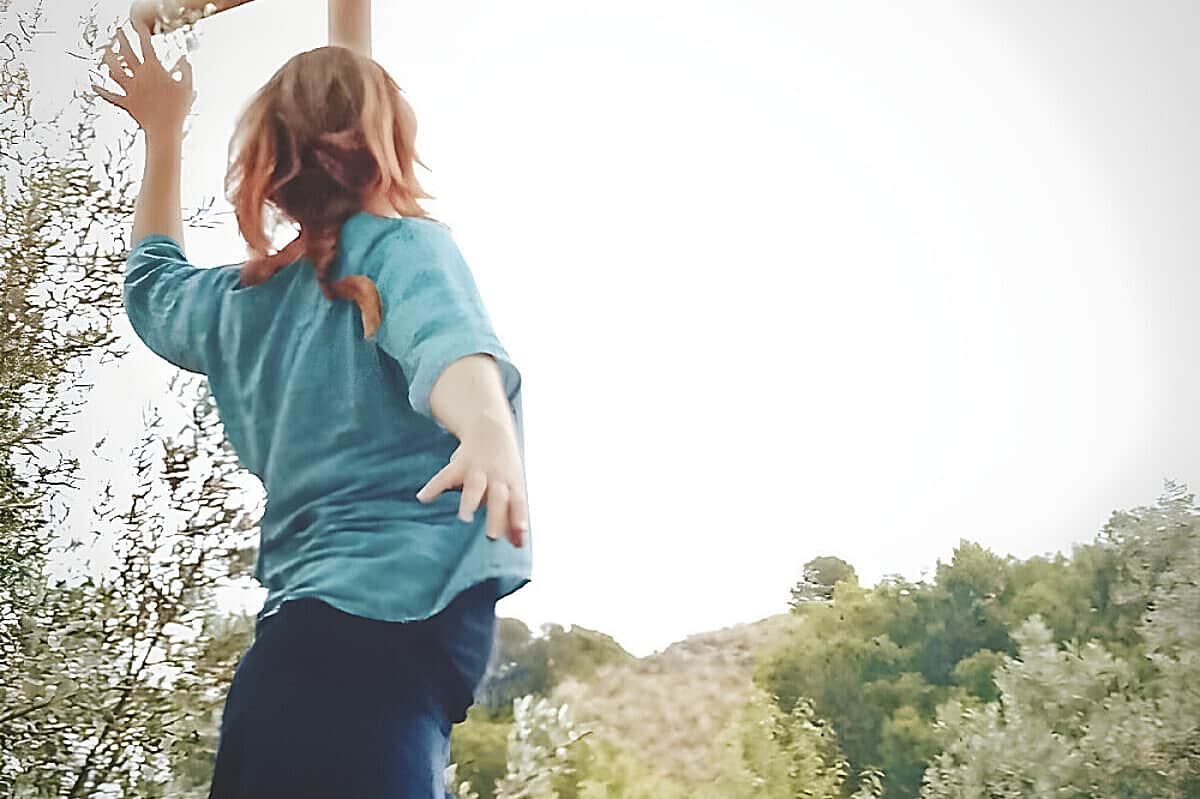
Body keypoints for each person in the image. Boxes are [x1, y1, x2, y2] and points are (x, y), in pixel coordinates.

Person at [90, 2, 532, 796]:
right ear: (392, 144)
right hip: (376, 659)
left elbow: (151, 285)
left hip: (288, 669)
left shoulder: (241, 306)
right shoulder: (399, 249)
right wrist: (484, 422)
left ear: (268, 173)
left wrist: (163, 132)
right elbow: (443, 340)